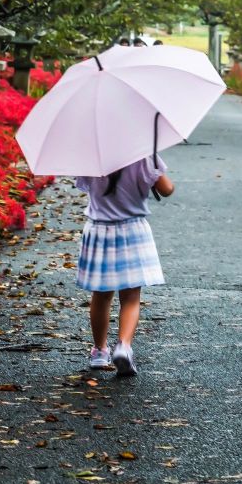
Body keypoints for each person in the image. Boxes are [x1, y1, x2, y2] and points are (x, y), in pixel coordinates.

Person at [74, 158, 174, 375]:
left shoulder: (92, 156)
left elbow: (86, 186)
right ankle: (124, 346)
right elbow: (167, 189)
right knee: (130, 296)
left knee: (100, 295)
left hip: (99, 230)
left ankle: (100, 351)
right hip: (132, 229)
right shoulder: (144, 155)